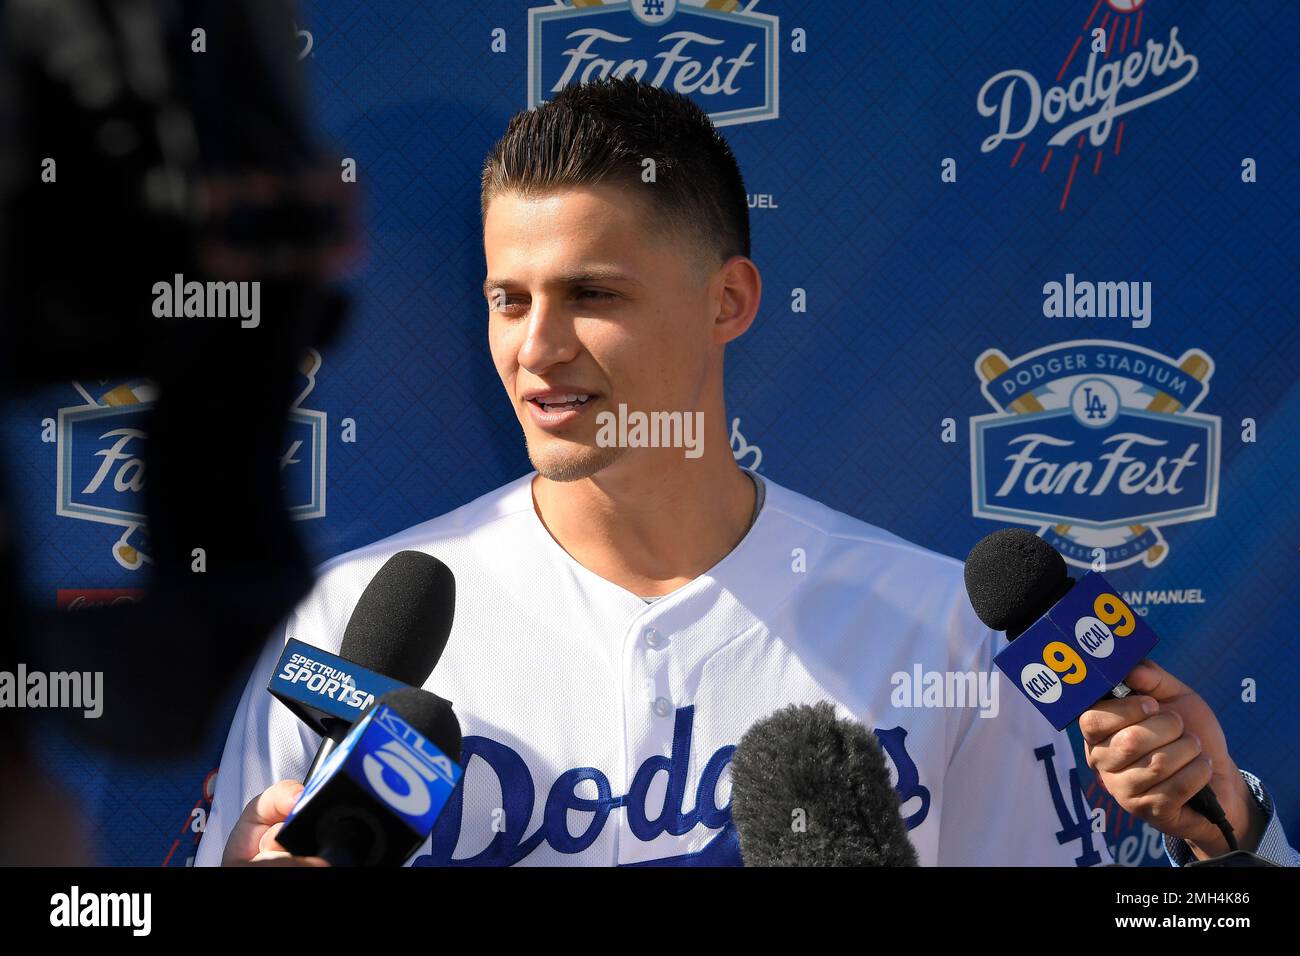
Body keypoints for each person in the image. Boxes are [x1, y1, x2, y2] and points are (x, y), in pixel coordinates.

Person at [195, 77, 1293, 867]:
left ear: (727, 301)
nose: (537, 346)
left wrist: (1229, 838)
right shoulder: (347, 623)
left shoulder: (939, 629)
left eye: (595, 295)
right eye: (508, 299)